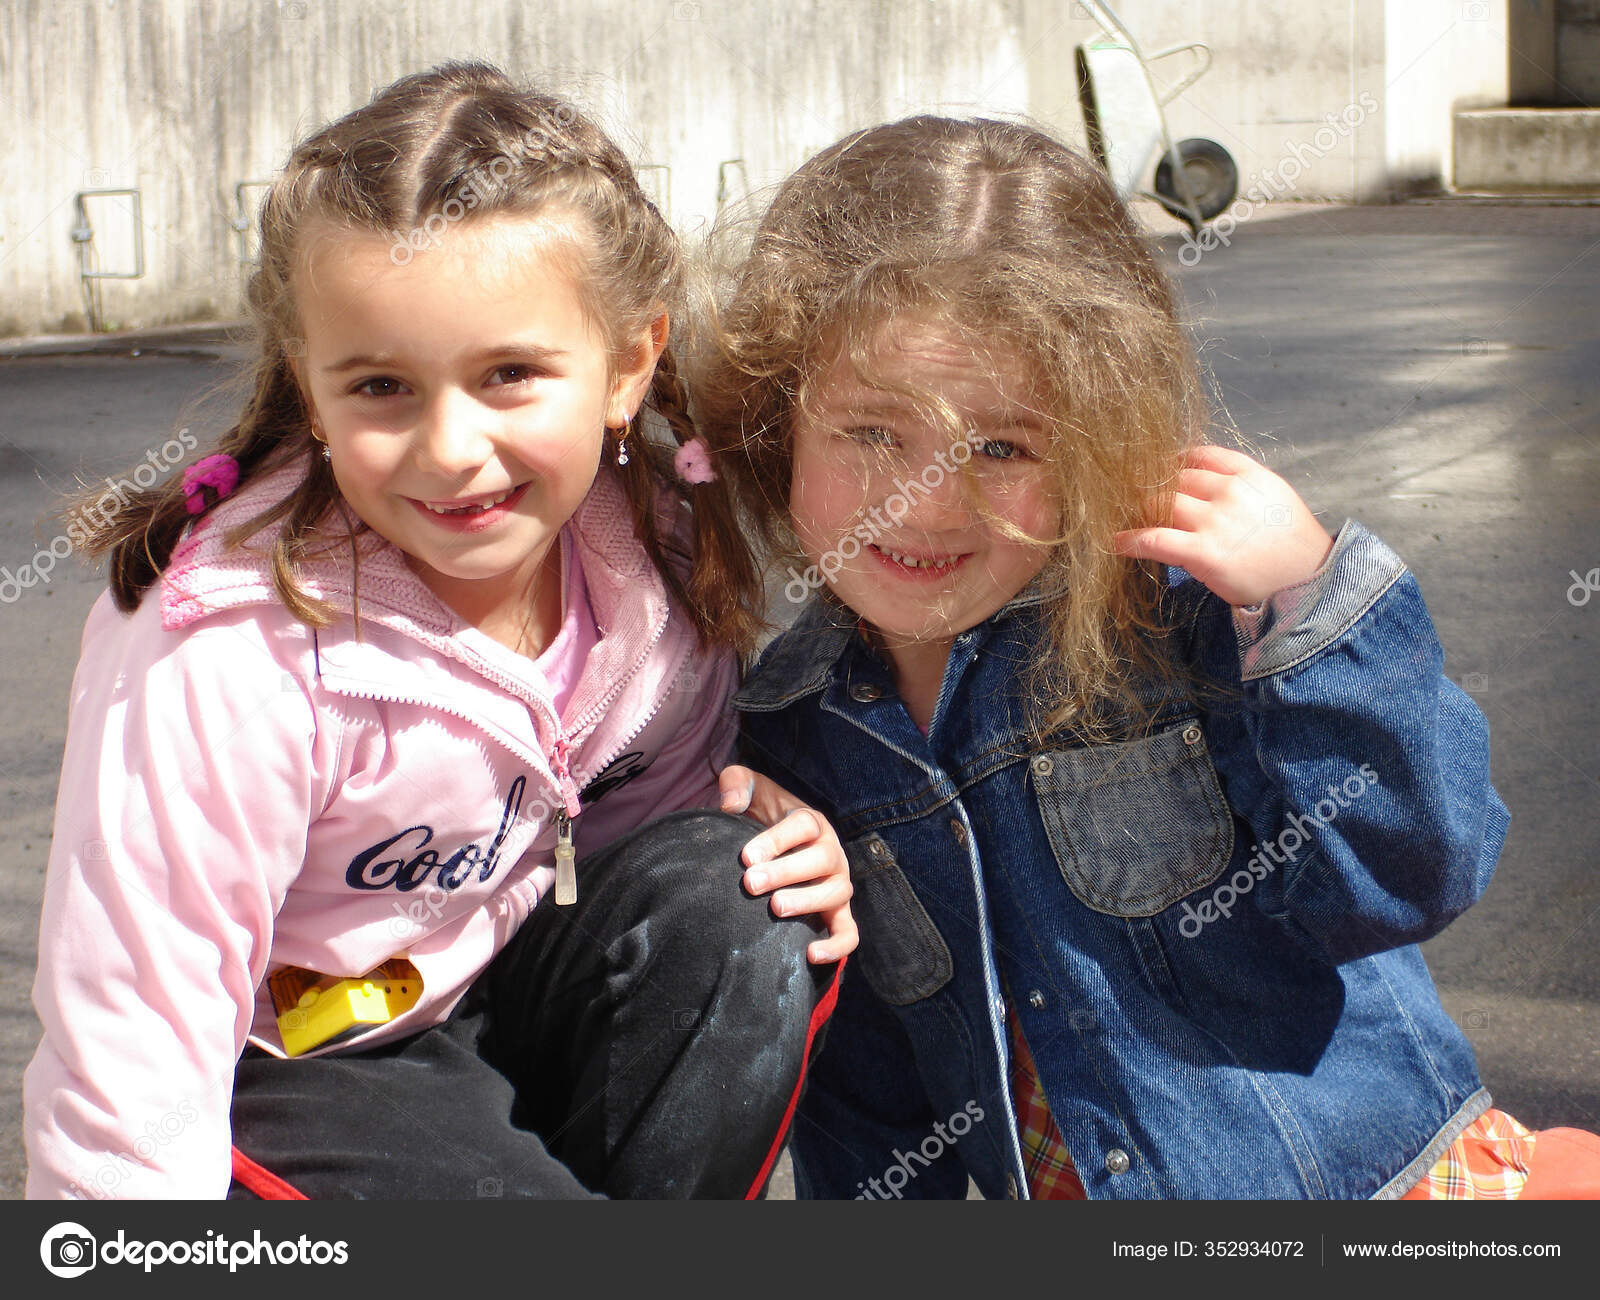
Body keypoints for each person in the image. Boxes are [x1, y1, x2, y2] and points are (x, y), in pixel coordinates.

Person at [695, 114, 1600, 1199]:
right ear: (774, 419)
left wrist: (1308, 610)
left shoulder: (1183, 623)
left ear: (1093, 436)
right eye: (873, 431)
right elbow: (868, 1099)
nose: (926, 499)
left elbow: (1414, 869)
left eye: (1001, 444)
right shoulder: (795, 730)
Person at [24, 62, 856, 1201]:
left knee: (741, 897)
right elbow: (129, 1035)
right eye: (381, 387)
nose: (450, 448)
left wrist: (758, 809)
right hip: (291, 1061)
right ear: (309, 391)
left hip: (482, 983)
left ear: (627, 363)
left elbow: (640, 826)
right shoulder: (230, 645)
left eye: (509, 373)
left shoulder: (645, 548)